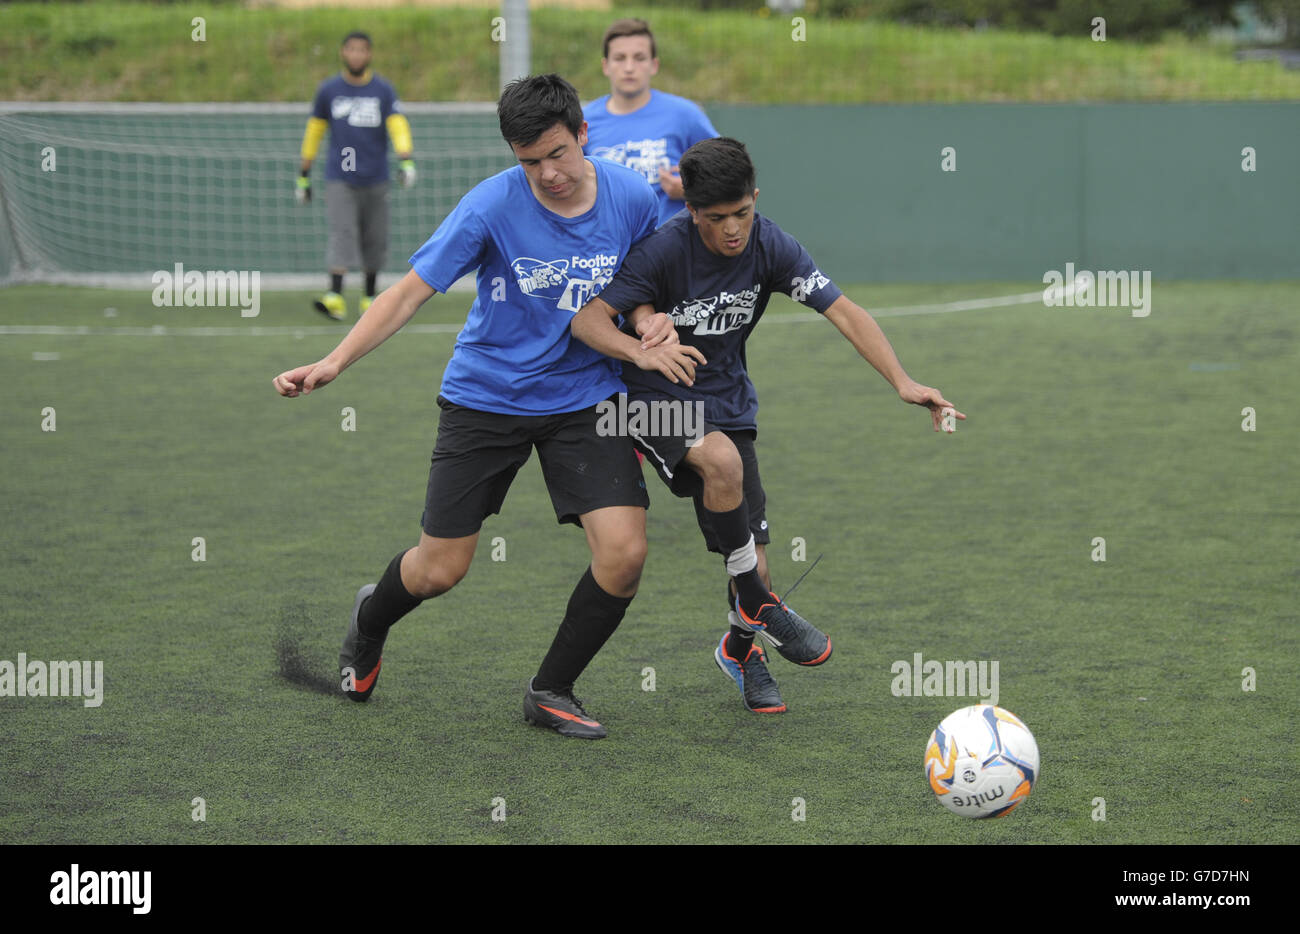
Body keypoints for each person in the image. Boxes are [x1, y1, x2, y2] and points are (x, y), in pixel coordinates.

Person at [273, 75, 702, 740]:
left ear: (583, 134)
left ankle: (552, 690)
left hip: (586, 397)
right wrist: (335, 360)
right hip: (487, 396)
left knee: (624, 554)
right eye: (529, 161)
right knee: (439, 570)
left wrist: (650, 322)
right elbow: (409, 294)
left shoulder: (631, 195)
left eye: (558, 154)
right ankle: (371, 619)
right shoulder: (490, 207)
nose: (547, 174)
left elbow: (641, 285)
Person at [572, 137, 966, 715]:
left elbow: (844, 310)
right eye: (716, 219)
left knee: (755, 558)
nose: (733, 229)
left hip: (728, 405)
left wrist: (903, 382)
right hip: (646, 400)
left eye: (742, 214)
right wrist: (641, 354)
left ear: (755, 199)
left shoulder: (772, 243)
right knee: (724, 468)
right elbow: (586, 322)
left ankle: (740, 648)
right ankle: (759, 601)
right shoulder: (662, 251)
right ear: (691, 211)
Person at [297, 31, 416, 322]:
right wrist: (303, 174)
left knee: (374, 237)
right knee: (343, 232)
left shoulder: (383, 90)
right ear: (343, 53)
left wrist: (406, 159)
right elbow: (314, 131)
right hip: (340, 177)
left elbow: (397, 124)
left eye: (362, 50)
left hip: (376, 177)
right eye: (351, 50)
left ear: (369, 54)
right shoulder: (329, 90)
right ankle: (335, 297)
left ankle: (369, 297)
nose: (356, 55)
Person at [583, 18, 718, 226]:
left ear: (654, 65)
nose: (629, 67)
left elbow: (727, 174)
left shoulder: (684, 115)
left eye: (639, 58)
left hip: (673, 248)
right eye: (619, 58)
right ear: (606, 66)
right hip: (610, 247)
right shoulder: (583, 122)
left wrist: (691, 188)